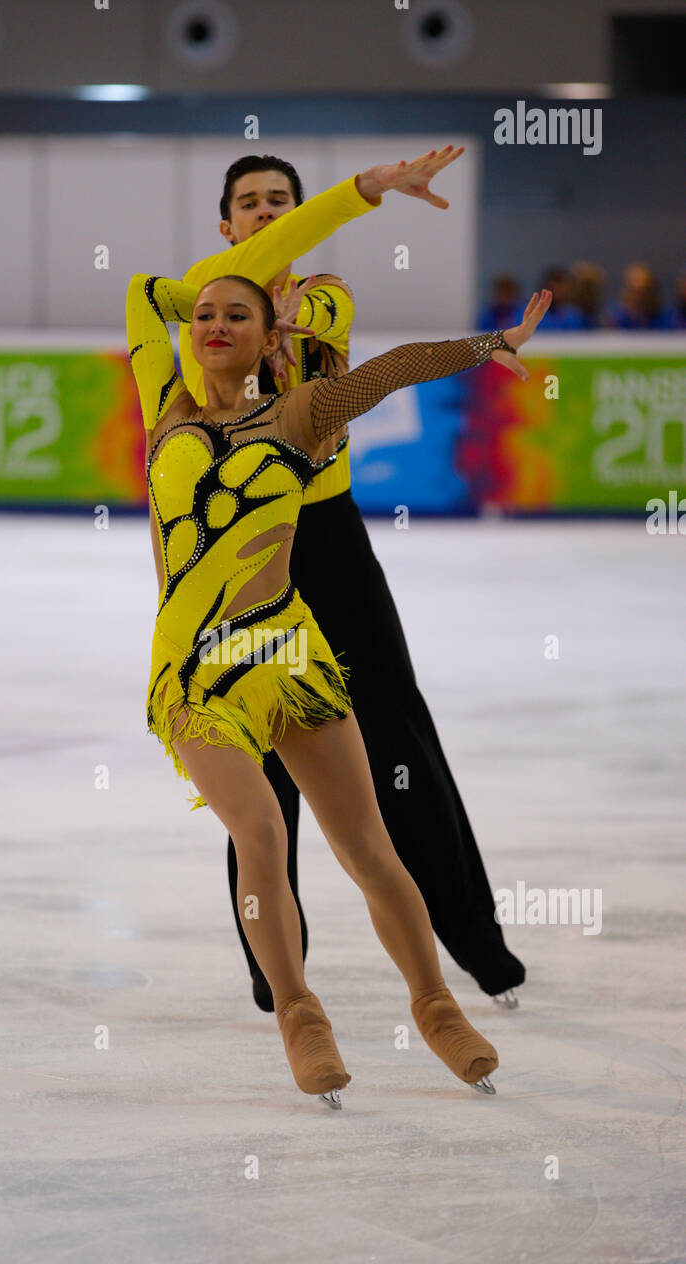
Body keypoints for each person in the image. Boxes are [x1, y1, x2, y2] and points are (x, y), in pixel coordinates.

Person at [126, 262, 552, 1105]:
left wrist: (486, 344)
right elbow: (144, 290)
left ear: (269, 334)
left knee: (368, 849)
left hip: (289, 654)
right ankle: (300, 1015)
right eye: (203, 313)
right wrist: (242, 276)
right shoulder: (162, 402)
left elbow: (392, 370)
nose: (214, 324)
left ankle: (434, 1006)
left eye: (237, 316)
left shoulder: (298, 414)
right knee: (260, 833)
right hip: (195, 671)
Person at [176, 150, 527, 1013]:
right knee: (257, 756)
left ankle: (475, 943)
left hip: (329, 541)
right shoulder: (202, 299)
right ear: (225, 224)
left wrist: (292, 319)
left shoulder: (327, 294)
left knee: (398, 741)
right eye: (249, 205)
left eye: (279, 203)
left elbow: (330, 337)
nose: (264, 215)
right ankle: (276, 970)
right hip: (245, 557)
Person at [610, 262, 668, 330]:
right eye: (635, 291)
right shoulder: (615, 319)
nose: (640, 298)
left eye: (644, 292)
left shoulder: (666, 320)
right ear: (626, 291)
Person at [533, 266, 584, 331]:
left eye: (562, 286)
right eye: (554, 286)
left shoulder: (576, 315)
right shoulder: (532, 315)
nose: (558, 291)